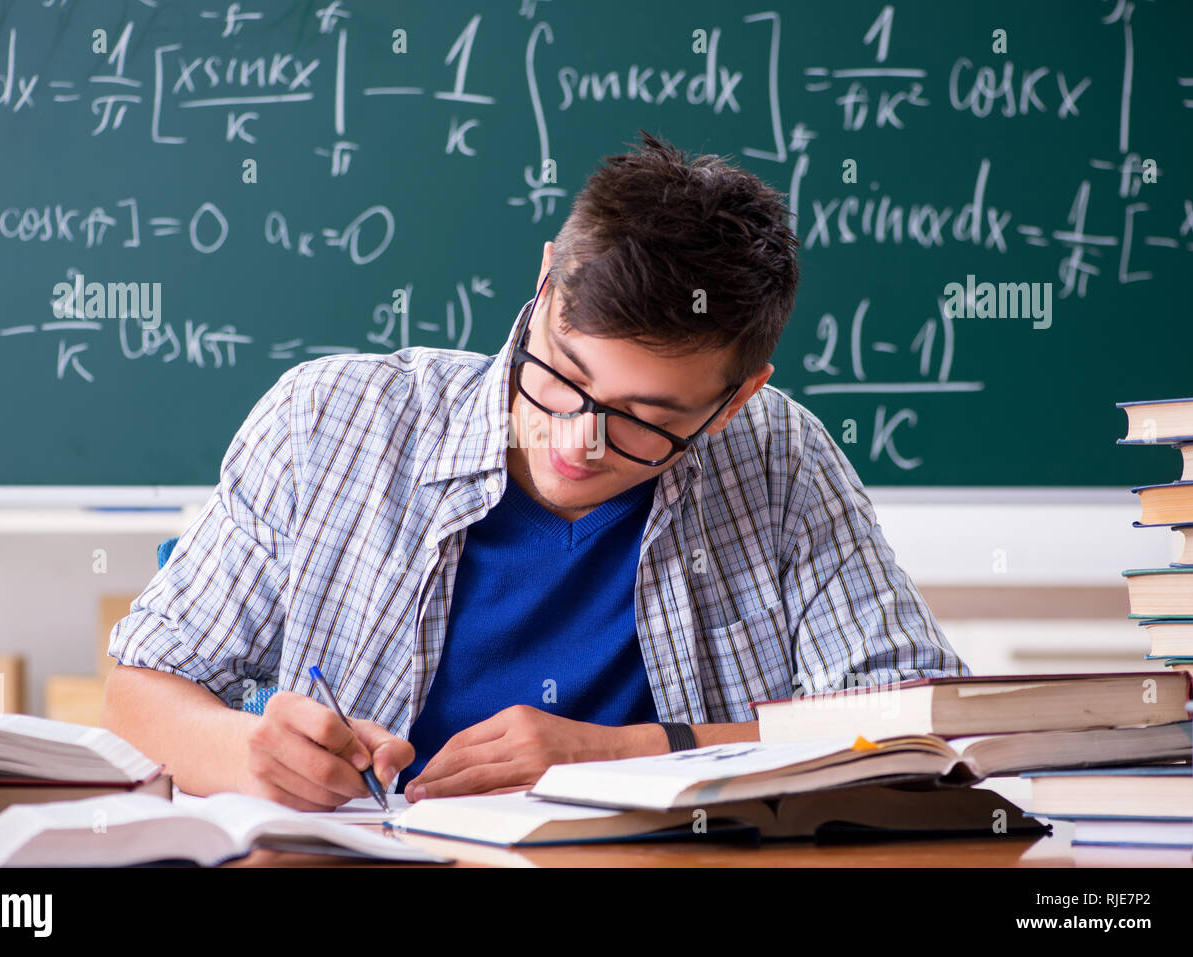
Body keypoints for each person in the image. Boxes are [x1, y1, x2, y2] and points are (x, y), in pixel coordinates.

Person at [101, 130, 969, 810]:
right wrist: (244, 751)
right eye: (562, 375)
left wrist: (628, 752)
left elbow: (918, 727)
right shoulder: (327, 420)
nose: (578, 442)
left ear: (736, 399)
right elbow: (139, 690)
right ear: (547, 278)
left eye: (646, 419)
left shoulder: (780, 457)